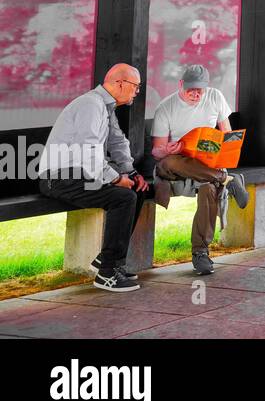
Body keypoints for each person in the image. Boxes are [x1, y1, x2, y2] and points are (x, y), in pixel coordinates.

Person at [37, 63, 149, 292]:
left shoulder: (105, 107)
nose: (137, 92)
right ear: (120, 83)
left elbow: (118, 142)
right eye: (136, 87)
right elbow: (86, 152)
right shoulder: (91, 105)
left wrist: (131, 173)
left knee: (137, 191)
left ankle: (107, 260)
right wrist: (116, 179)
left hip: (79, 174)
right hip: (60, 177)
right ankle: (107, 273)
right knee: (123, 198)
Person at [150, 64, 249, 275]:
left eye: (200, 90)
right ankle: (227, 179)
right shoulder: (166, 107)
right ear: (180, 85)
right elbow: (156, 152)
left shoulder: (215, 97)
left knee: (208, 188)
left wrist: (221, 153)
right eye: (190, 89)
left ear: (207, 87)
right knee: (168, 162)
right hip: (177, 163)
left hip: (206, 164)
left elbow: (227, 135)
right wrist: (166, 149)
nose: (195, 94)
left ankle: (200, 253)